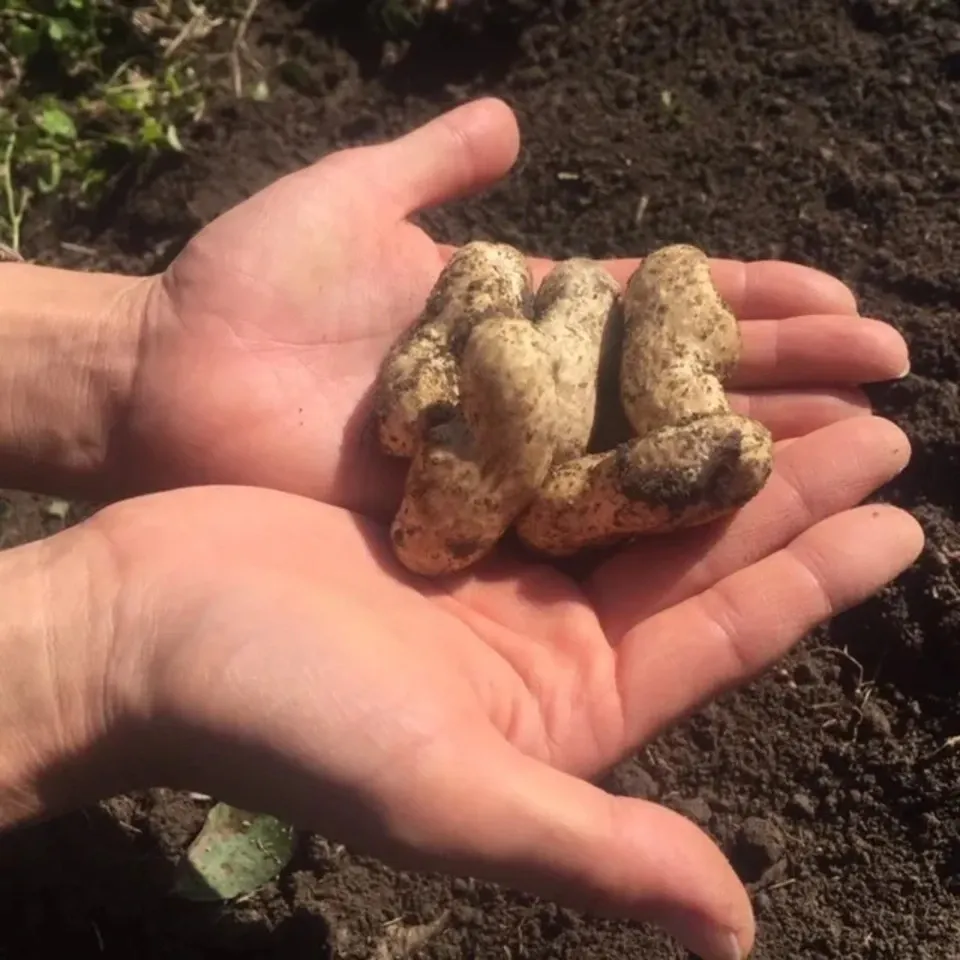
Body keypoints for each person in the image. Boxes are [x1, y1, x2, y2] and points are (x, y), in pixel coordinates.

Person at [0, 98, 921, 960]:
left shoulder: (569, 410)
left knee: (623, 431)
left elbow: (535, 435)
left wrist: (125, 358)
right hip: (528, 442)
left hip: (567, 451)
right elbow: (447, 406)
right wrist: (130, 364)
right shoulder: (480, 386)